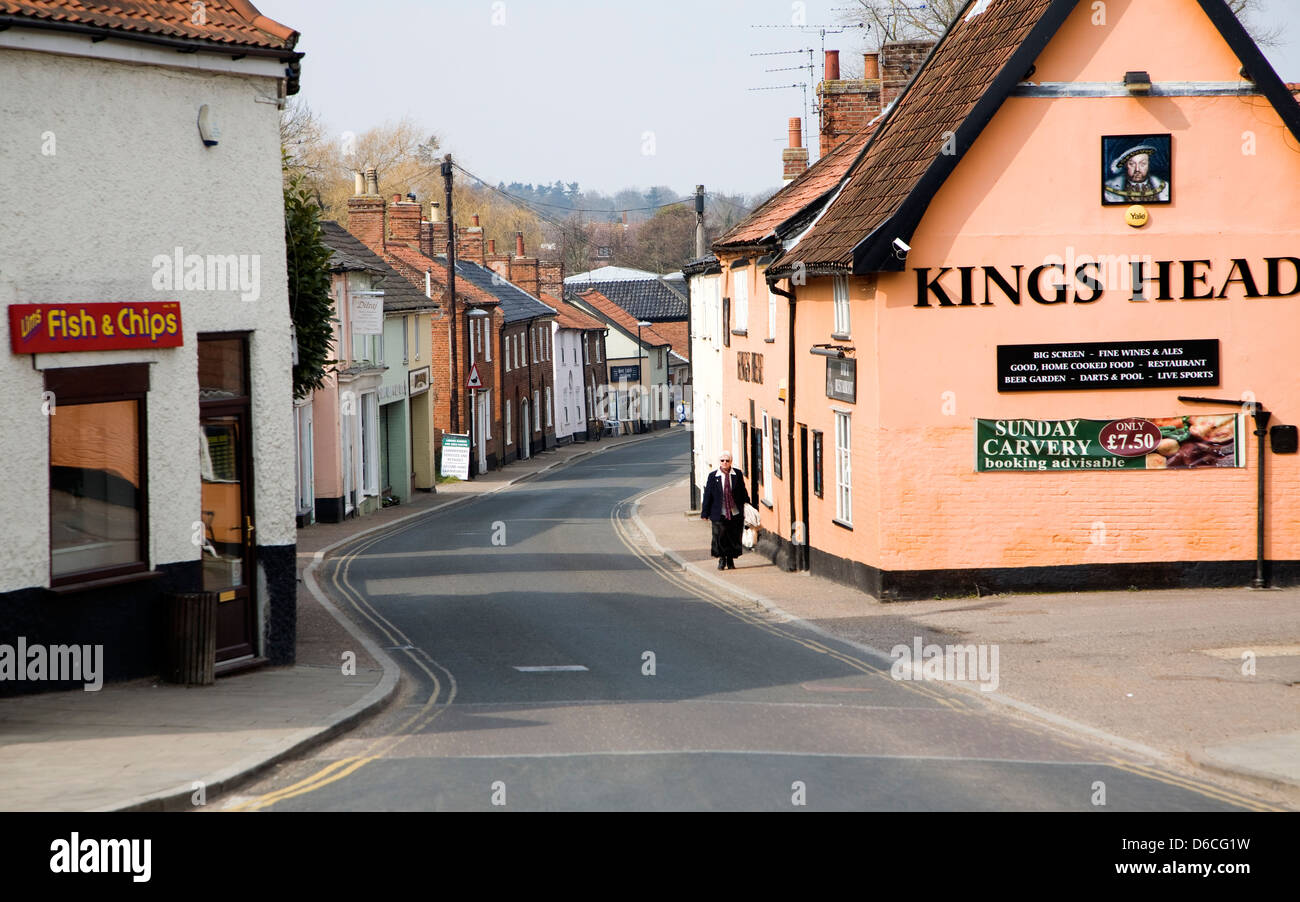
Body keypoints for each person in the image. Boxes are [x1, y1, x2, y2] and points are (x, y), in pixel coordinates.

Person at [700, 451, 749, 570]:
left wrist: (748, 504)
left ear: (731, 462)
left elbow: (743, 491)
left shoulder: (737, 474)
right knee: (720, 537)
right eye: (722, 460)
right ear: (719, 462)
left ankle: (731, 560)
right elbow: (708, 495)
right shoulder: (713, 476)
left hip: (734, 512)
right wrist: (705, 513)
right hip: (719, 512)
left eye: (727, 460)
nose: (725, 463)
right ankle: (722, 559)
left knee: (733, 536)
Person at [1104, 145, 1169, 203]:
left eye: (1143, 164)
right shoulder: (1108, 192)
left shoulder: (1165, 188)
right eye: (1131, 164)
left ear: (1148, 164)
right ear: (1125, 166)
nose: (1137, 169)